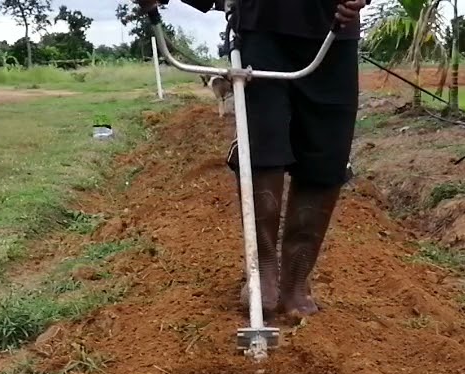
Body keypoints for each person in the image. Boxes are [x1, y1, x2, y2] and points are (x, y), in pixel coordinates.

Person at [135, 0, 368, 319]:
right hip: (260, 25)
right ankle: (263, 270)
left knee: (326, 155)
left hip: (334, 28)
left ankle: (296, 283)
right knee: (263, 146)